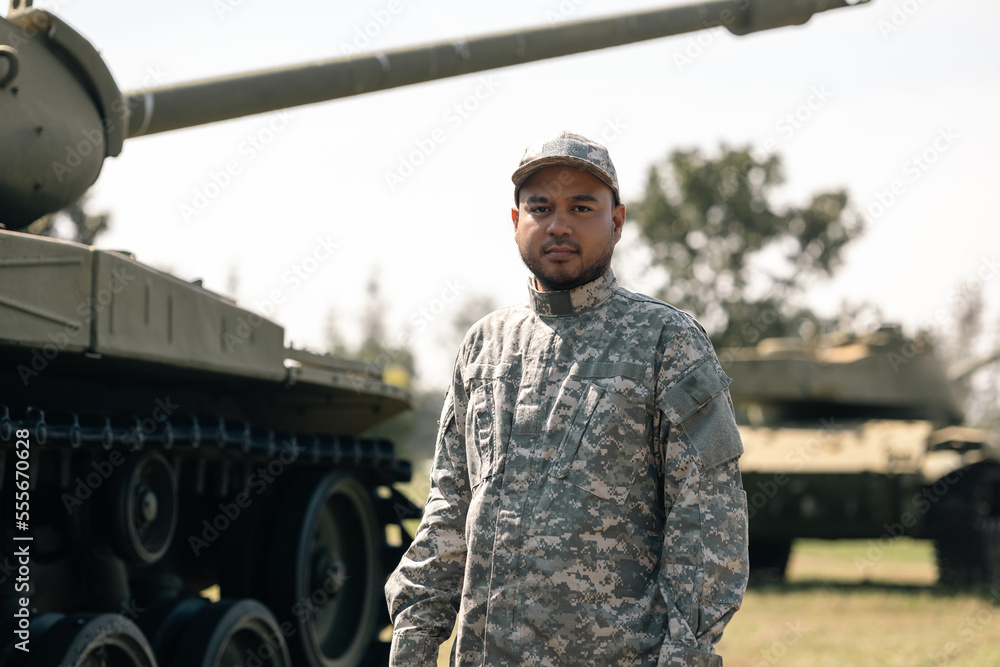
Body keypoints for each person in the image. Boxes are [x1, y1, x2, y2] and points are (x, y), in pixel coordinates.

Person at [386, 131, 748, 666]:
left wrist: (684, 656)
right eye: (541, 207)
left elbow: (708, 523)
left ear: (617, 221)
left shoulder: (666, 342)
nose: (559, 224)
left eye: (582, 207)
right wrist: (414, 641)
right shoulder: (484, 347)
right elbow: (448, 508)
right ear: (516, 223)